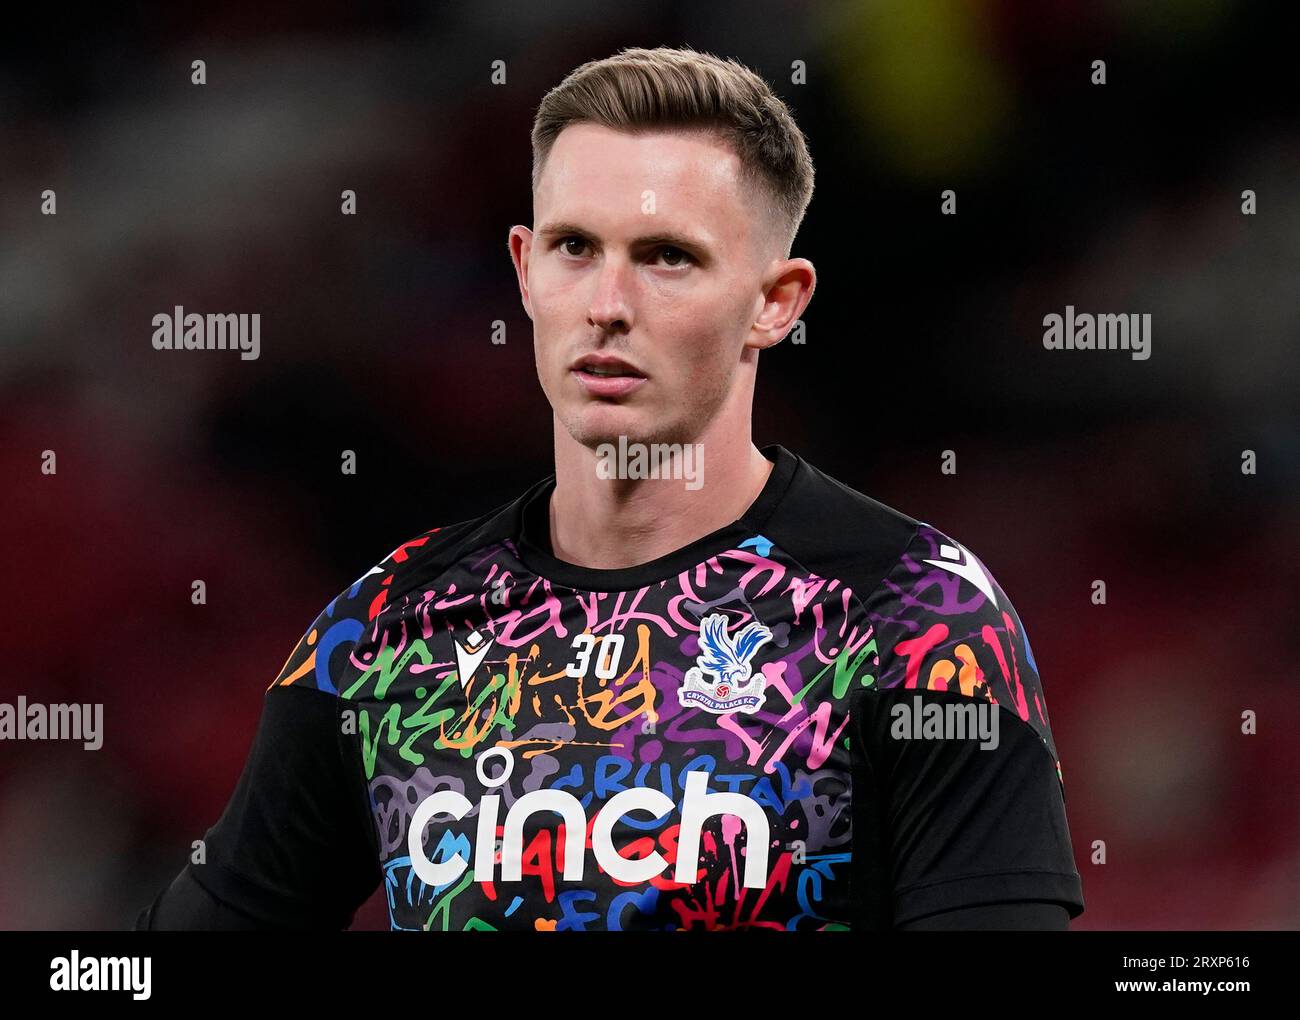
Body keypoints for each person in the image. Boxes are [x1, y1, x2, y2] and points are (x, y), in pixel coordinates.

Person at [136, 45, 1083, 931]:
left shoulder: (915, 617)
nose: (607, 305)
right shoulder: (388, 627)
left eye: (667, 256)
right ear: (523, 269)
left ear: (775, 301)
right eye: (575, 247)